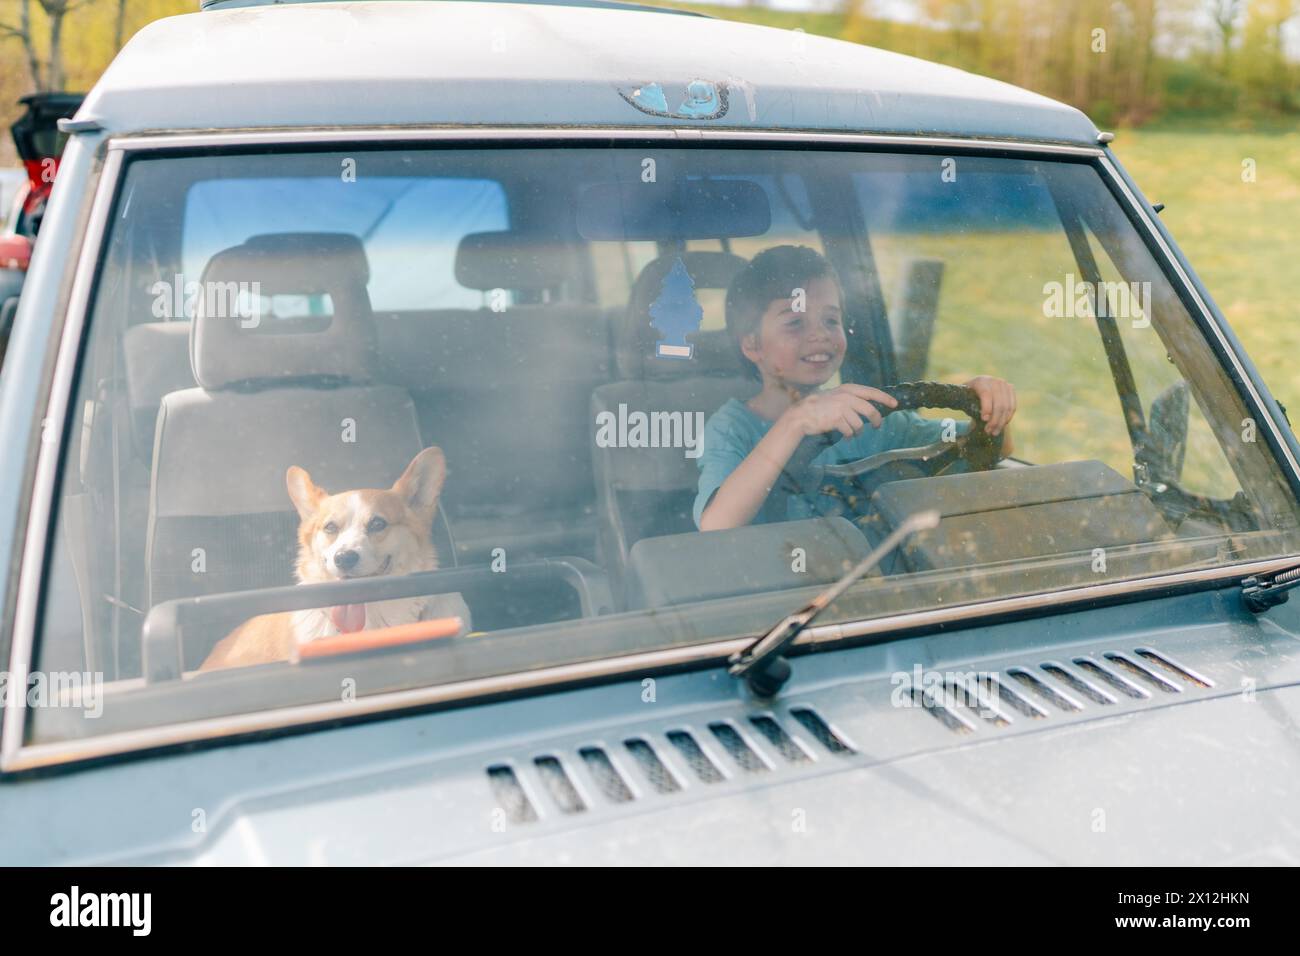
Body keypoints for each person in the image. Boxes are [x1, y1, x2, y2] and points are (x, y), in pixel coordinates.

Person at [694, 245, 1016, 531]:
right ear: (752, 345)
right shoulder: (733, 428)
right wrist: (796, 421)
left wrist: (986, 404)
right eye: (795, 323)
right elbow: (717, 523)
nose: (820, 335)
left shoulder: (872, 415)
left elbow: (989, 448)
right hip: (783, 589)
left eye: (831, 320)